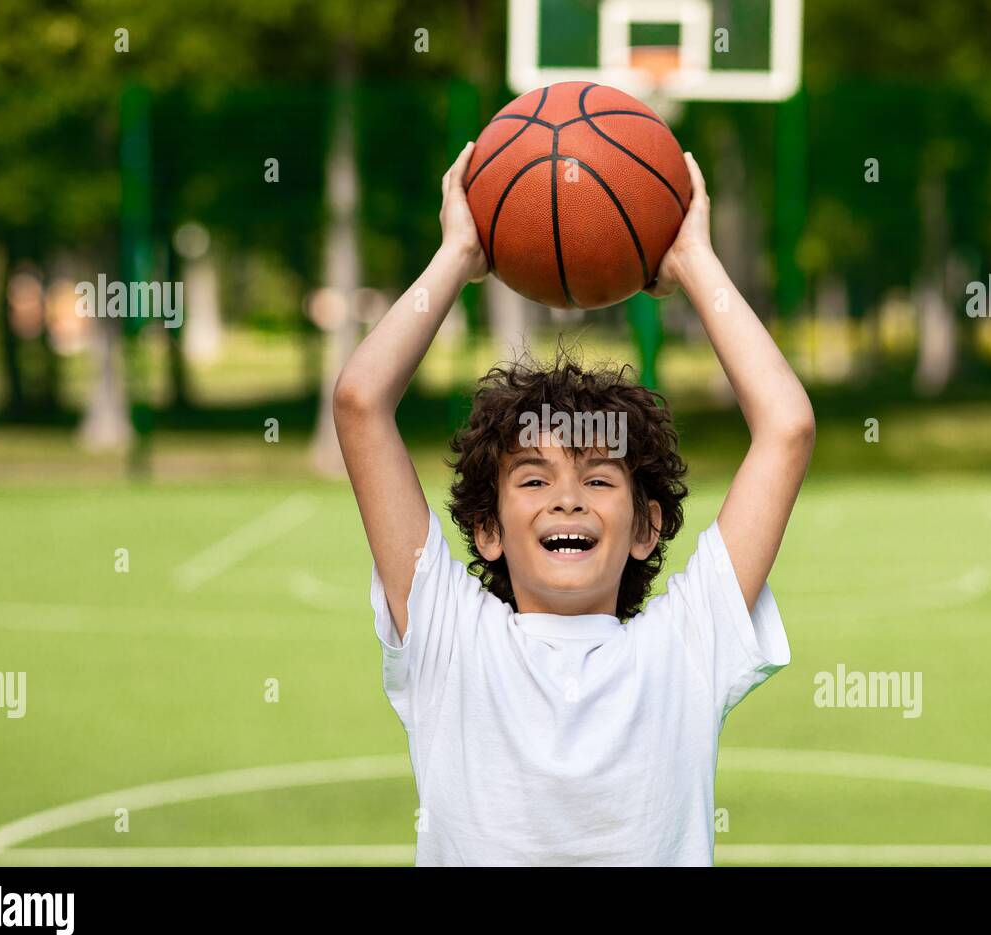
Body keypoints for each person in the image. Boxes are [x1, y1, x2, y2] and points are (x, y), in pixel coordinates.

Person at [333, 141, 815, 865]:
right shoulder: (449, 637)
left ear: (647, 528)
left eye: (598, 479)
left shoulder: (687, 646)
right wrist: (457, 255)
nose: (566, 498)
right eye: (533, 479)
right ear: (488, 530)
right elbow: (360, 401)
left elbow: (787, 427)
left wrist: (692, 262)